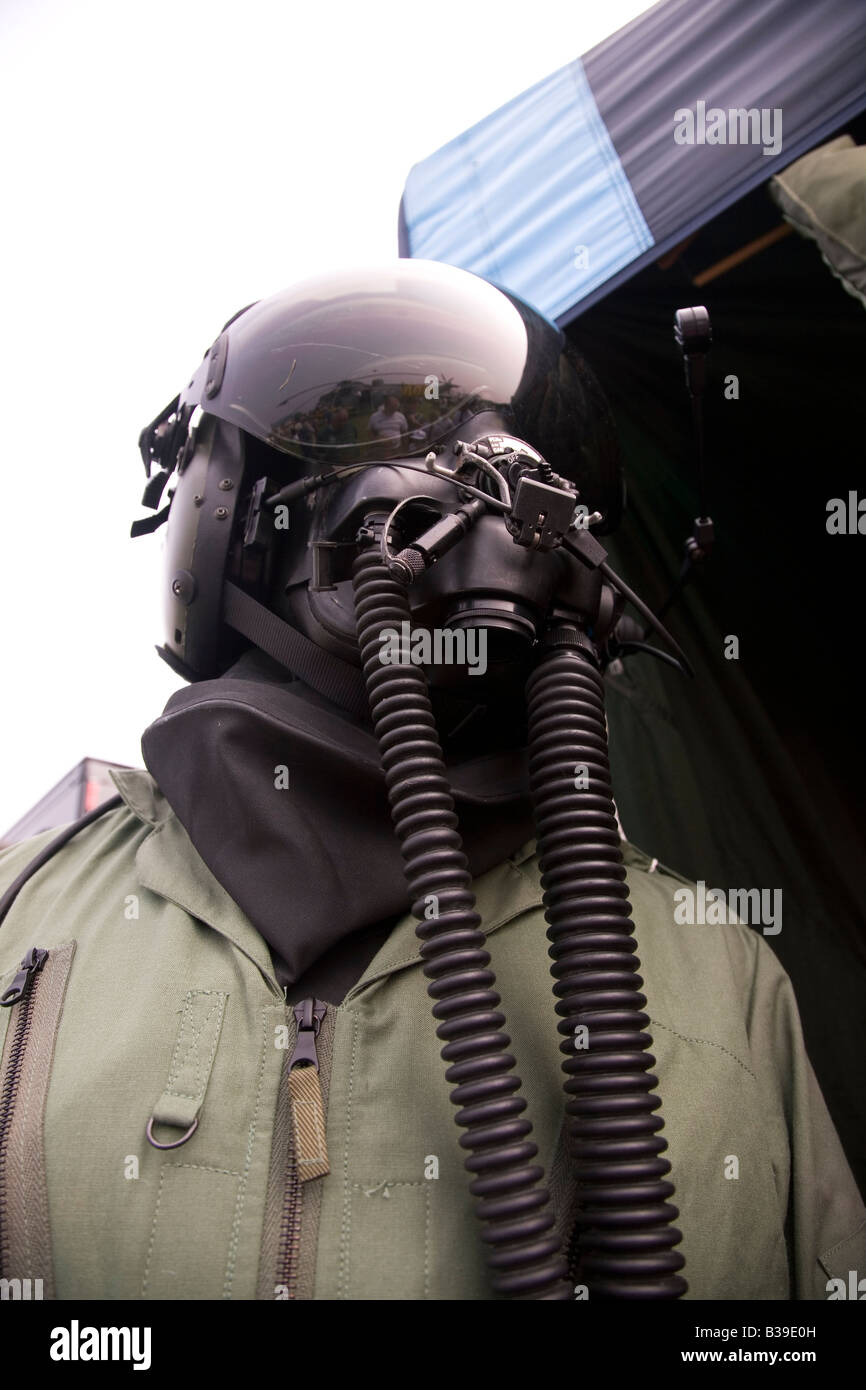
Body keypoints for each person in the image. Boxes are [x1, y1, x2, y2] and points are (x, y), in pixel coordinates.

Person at [0, 259, 863, 1303]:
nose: (483, 475)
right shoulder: (23, 913)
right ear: (228, 506)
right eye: (395, 433)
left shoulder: (721, 980)